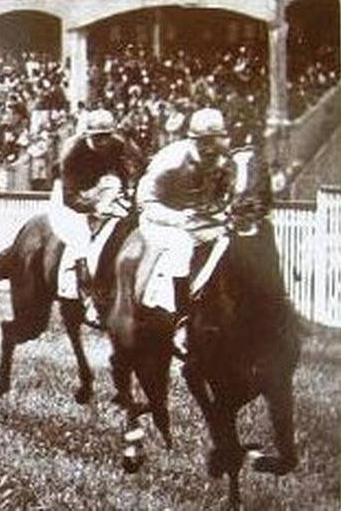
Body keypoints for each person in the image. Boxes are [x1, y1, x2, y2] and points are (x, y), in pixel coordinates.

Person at [135, 107, 235, 354]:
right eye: (204, 142)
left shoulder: (224, 161)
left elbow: (223, 200)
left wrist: (224, 214)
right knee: (181, 245)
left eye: (215, 141)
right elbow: (144, 201)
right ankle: (181, 321)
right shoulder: (171, 160)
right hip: (161, 219)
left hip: (198, 221)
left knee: (233, 242)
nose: (210, 148)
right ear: (192, 140)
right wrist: (176, 218)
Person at [49, 108, 145, 323]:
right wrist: (94, 208)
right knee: (81, 239)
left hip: (102, 191)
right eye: (97, 138)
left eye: (106, 136)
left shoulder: (117, 144)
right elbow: (69, 198)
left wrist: (127, 193)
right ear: (87, 135)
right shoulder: (72, 152)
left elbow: (129, 170)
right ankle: (85, 298)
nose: (103, 143)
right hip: (70, 197)